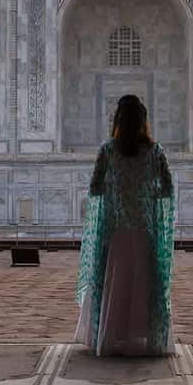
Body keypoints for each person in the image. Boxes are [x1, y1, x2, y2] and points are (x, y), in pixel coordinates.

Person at [75, 94, 176, 356]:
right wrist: (146, 193)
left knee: (115, 282)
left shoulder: (108, 150)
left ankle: (113, 336)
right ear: (143, 121)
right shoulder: (155, 151)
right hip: (145, 229)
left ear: (118, 120)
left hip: (117, 229)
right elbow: (168, 188)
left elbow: (95, 188)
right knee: (143, 283)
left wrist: (118, 190)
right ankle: (144, 337)